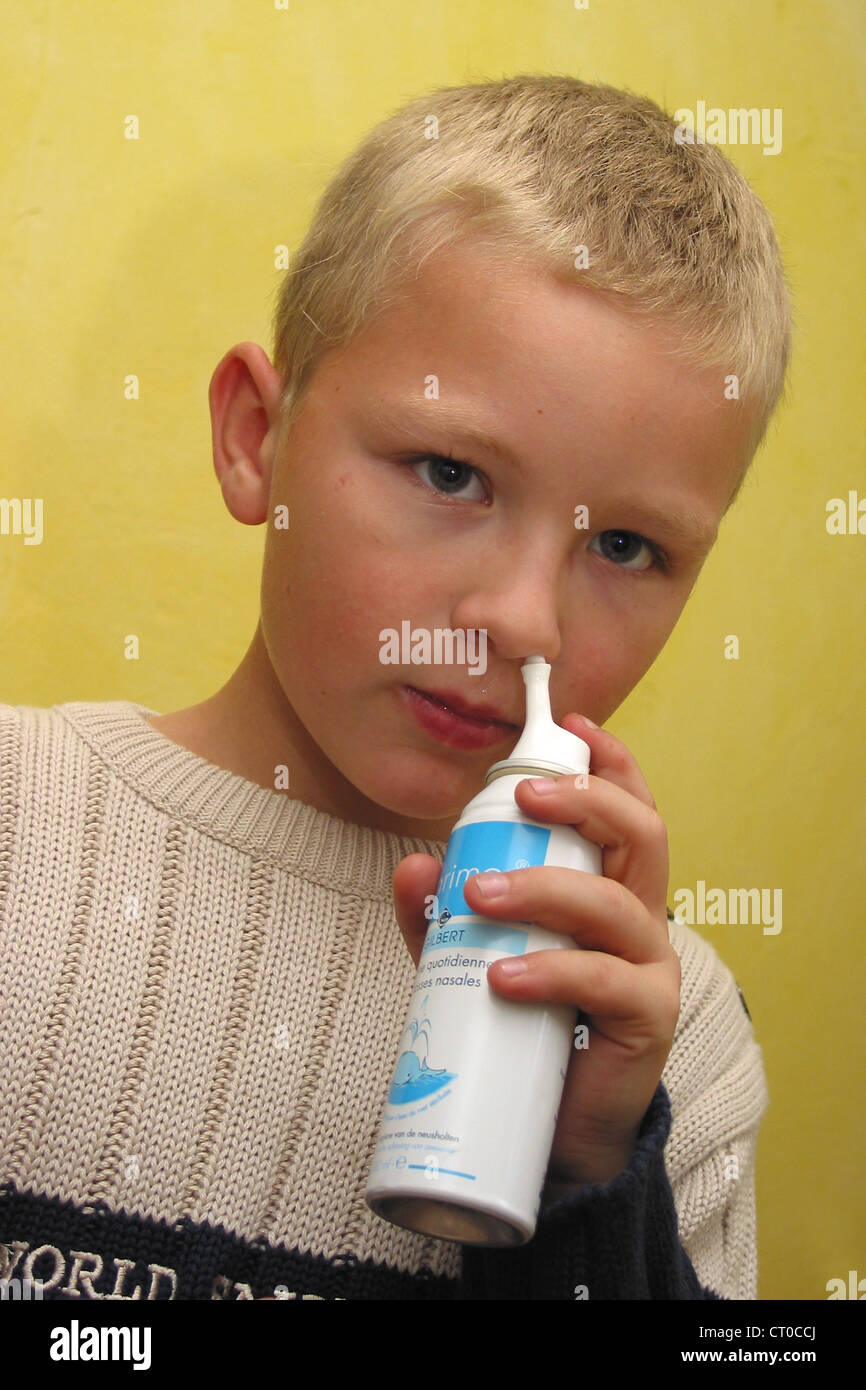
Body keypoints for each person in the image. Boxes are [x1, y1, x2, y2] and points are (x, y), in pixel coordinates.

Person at [0, 72, 791, 1300]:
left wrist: (583, 1174)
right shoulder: (18, 834)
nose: (524, 620)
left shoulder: (667, 1038)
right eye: (448, 472)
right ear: (258, 437)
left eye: (626, 547)